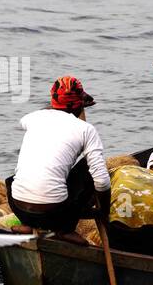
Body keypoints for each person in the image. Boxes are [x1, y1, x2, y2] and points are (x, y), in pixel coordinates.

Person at [7, 76, 110, 246]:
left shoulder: (33, 118)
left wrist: (60, 105)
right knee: (87, 168)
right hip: (55, 213)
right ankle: (66, 230)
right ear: (79, 105)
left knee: (17, 176)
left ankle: (28, 225)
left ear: (53, 102)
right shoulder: (86, 129)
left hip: (18, 206)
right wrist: (103, 212)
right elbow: (102, 182)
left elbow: (26, 120)